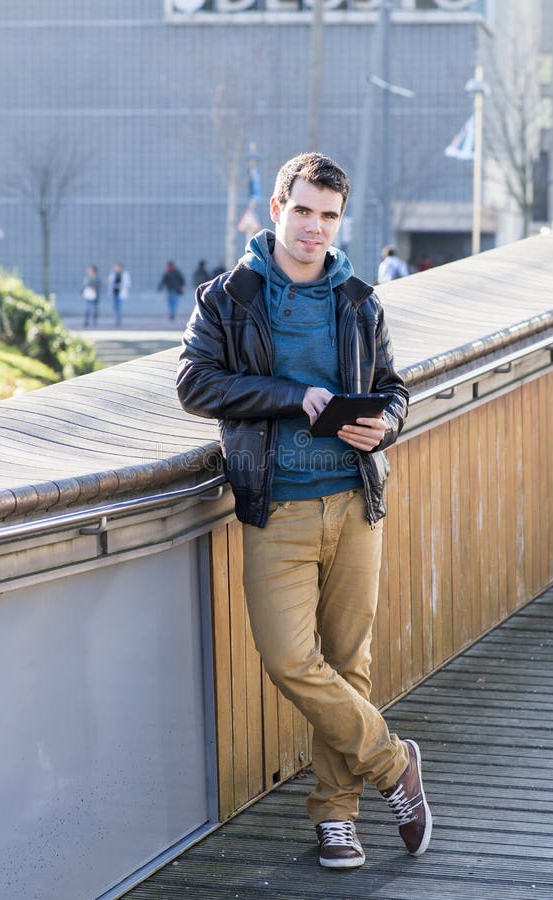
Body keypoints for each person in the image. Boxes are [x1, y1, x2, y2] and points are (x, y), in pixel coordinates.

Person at [177, 153, 432, 870]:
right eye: (302, 211)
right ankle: (393, 765)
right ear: (276, 211)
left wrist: (383, 422)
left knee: (348, 664)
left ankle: (336, 816)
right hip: (276, 505)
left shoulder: (357, 299)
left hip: (354, 503)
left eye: (327, 216)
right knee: (291, 659)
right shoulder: (228, 298)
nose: (314, 228)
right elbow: (195, 382)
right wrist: (294, 395)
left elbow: (392, 389)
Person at [107, 261, 131, 327]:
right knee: (115, 307)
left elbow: (128, 283)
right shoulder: (112, 274)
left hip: (121, 293)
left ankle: (118, 320)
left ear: (121, 268)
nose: (116, 268)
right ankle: (117, 318)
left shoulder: (125, 274)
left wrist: (120, 285)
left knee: (119, 307)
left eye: (117, 267)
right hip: (114, 293)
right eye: (115, 267)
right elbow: (110, 283)